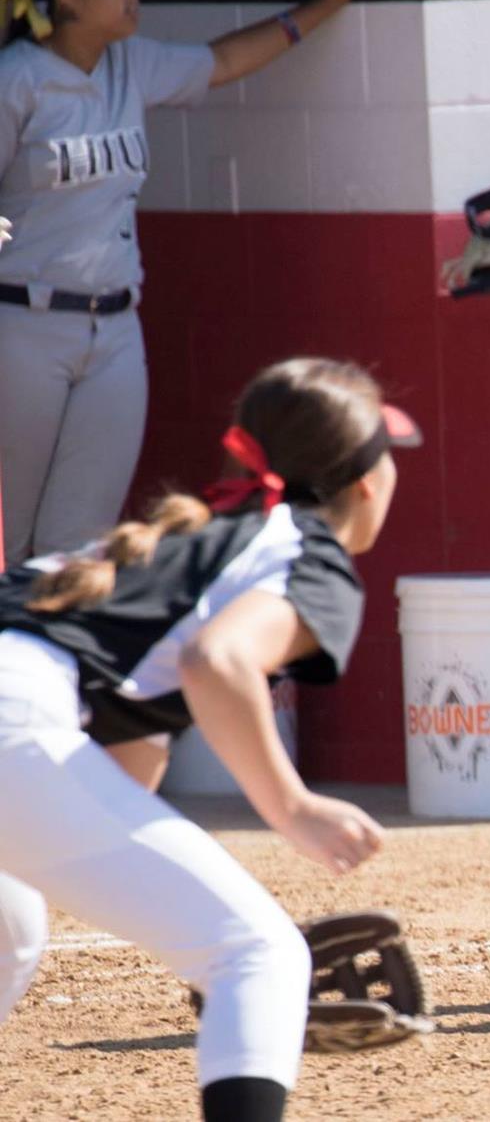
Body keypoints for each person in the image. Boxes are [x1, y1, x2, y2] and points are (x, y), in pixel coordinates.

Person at [0, 358, 422, 1121]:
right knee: (259, 952)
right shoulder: (307, 549)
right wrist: (292, 807)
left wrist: (174, 909)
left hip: (22, 716)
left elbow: (116, 780)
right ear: (366, 482)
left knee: (11, 928)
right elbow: (216, 661)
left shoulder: (187, 538)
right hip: (15, 712)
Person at [0, 0, 355, 567]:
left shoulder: (130, 62)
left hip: (116, 327)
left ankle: (57, 626)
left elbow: (225, 60)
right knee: (9, 536)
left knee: (81, 543)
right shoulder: (15, 78)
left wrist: (323, 8)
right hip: (23, 324)